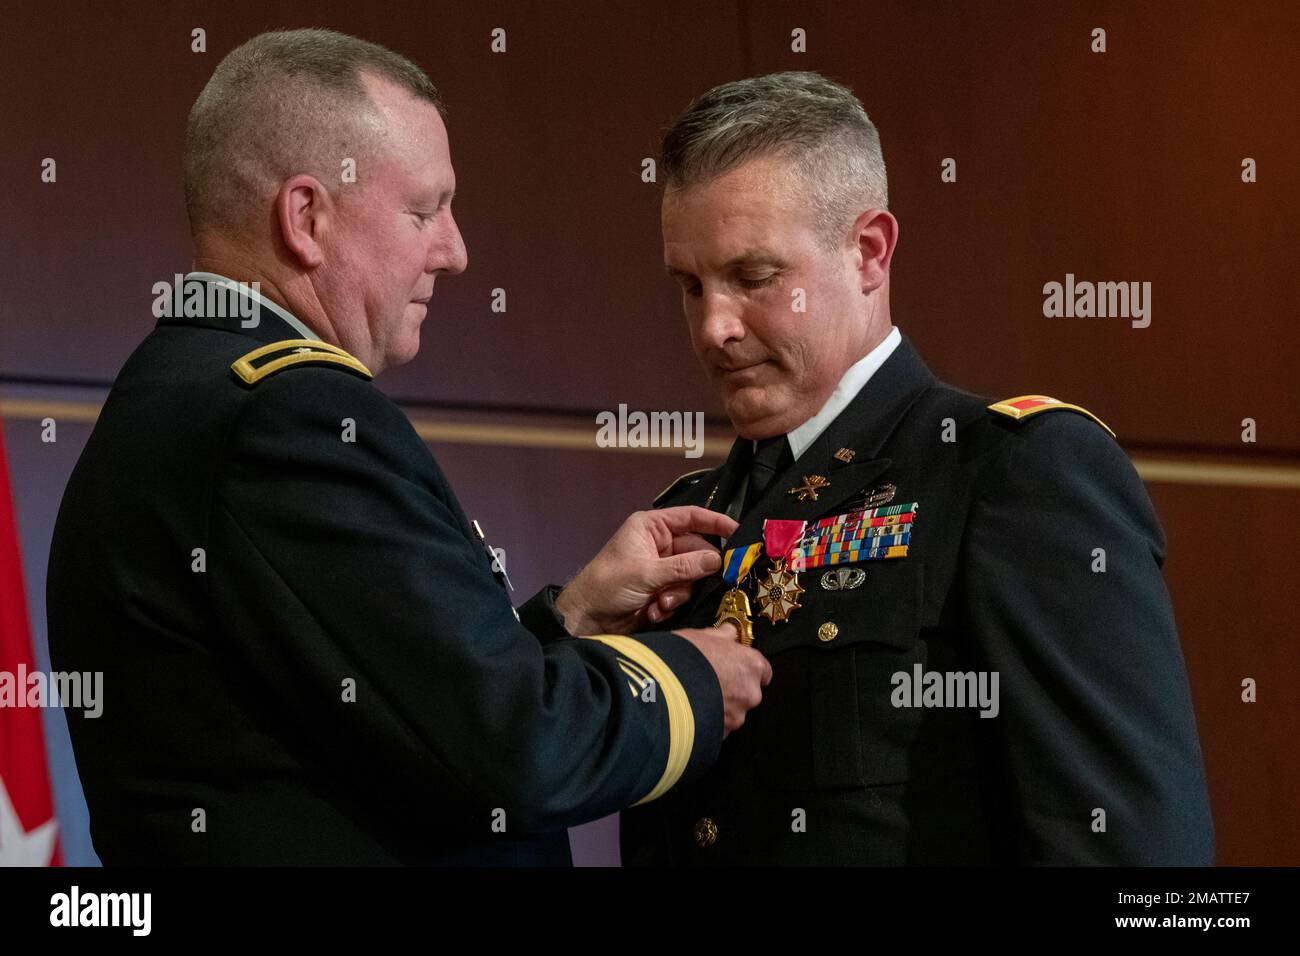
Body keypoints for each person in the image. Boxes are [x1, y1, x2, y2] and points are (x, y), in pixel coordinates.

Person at [45, 29, 770, 866]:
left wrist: (568, 619)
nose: (454, 251)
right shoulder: (285, 417)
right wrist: (687, 679)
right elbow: (512, 752)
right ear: (306, 218)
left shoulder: (190, 391)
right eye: (424, 210)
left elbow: (387, 710)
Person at [620, 71, 1214, 865]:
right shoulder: (684, 518)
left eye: (754, 278)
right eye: (691, 287)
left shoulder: (1012, 469)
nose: (714, 326)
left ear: (868, 253)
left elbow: (1137, 858)